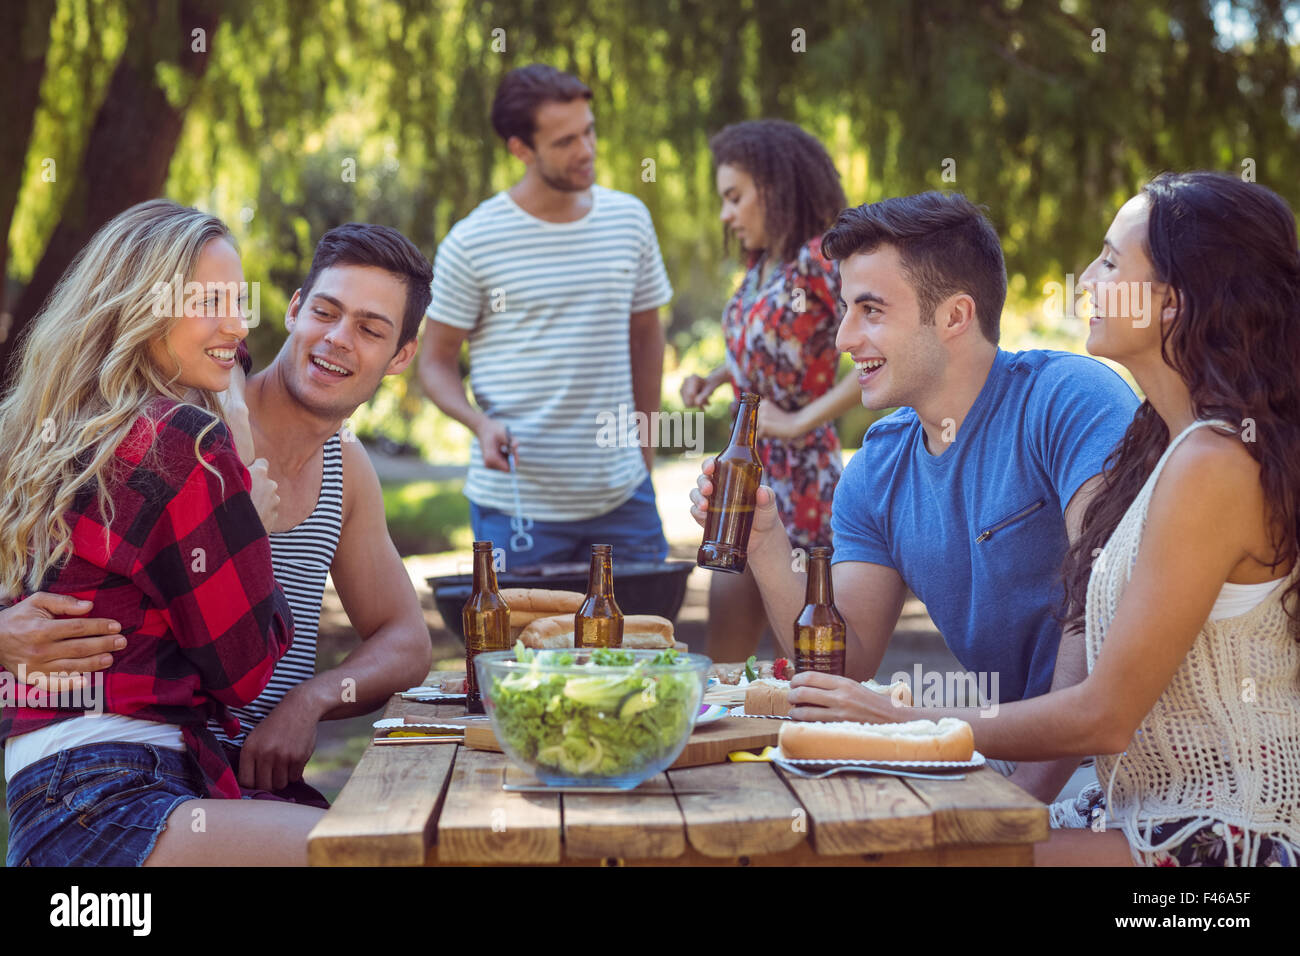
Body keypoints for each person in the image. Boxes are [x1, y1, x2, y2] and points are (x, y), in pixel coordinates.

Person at [800, 172, 1300, 867]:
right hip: (1143, 813)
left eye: (1111, 261)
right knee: (886, 840)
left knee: (921, 858)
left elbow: (1105, 714)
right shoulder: (1161, 443)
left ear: (1175, 304)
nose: (1086, 279)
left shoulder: (1212, 461)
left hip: (1235, 839)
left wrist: (904, 722)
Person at [689, 191, 1140, 804]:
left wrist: (1021, 808)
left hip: (1126, 770)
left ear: (954, 316)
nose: (845, 338)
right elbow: (842, 668)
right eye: (847, 309)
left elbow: (1102, 596)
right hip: (1012, 760)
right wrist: (766, 545)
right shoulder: (878, 466)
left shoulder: (1070, 401)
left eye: (870, 310)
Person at [0, 223, 436, 807]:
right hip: (142, 762)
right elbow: (29, 523)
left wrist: (308, 702)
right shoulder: (185, 416)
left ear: (401, 355)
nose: (337, 339)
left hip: (231, 780)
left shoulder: (347, 469)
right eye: (326, 312)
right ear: (295, 308)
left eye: (369, 328)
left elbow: (406, 638)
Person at [0, 200, 317, 865]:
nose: (237, 324)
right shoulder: (181, 442)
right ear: (139, 306)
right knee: (374, 852)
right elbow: (246, 666)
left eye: (239, 301)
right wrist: (250, 525)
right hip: (112, 793)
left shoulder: (33, 440)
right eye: (209, 302)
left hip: (45, 799)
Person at [418, 64, 673, 567]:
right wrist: (477, 422)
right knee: (517, 649)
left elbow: (647, 337)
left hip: (624, 498)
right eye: (565, 141)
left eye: (589, 131)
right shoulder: (472, 242)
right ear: (521, 149)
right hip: (516, 508)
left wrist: (646, 450)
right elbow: (436, 361)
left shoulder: (629, 221)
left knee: (647, 645)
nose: (586, 150)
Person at [681, 119, 862, 661]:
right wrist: (718, 375)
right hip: (743, 479)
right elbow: (771, 349)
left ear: (776, 188)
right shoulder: (762, 268)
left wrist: (799, 420)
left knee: (811, 659)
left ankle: (810, 746)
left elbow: (875, 359)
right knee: (725, 664)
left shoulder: (822, 259)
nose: (725, 215)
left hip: (804, 484)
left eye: (734, 197)